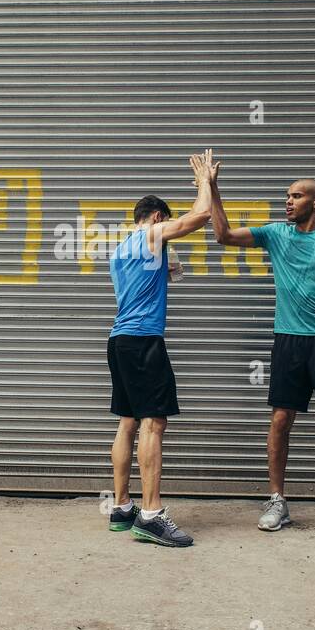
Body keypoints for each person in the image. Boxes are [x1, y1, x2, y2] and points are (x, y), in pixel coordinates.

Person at [199, 150, 315, 533]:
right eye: (287, 195)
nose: (288, 200)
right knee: (281, 419)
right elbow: (223, 235)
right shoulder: (275, 234)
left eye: (296, 195)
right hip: (289, 341)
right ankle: (277, 500)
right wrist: (212, 188)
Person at [105, 154, 212, 547]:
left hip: (119, 341)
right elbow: (198, 219)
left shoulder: (121, 249)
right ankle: (150, 515)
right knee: (154, 423)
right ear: (155, 218)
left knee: (128, 421)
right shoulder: (152, 236)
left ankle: (121, 507)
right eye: (165, 222)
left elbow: (173, 269)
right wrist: (204, 181)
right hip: (143, 342)